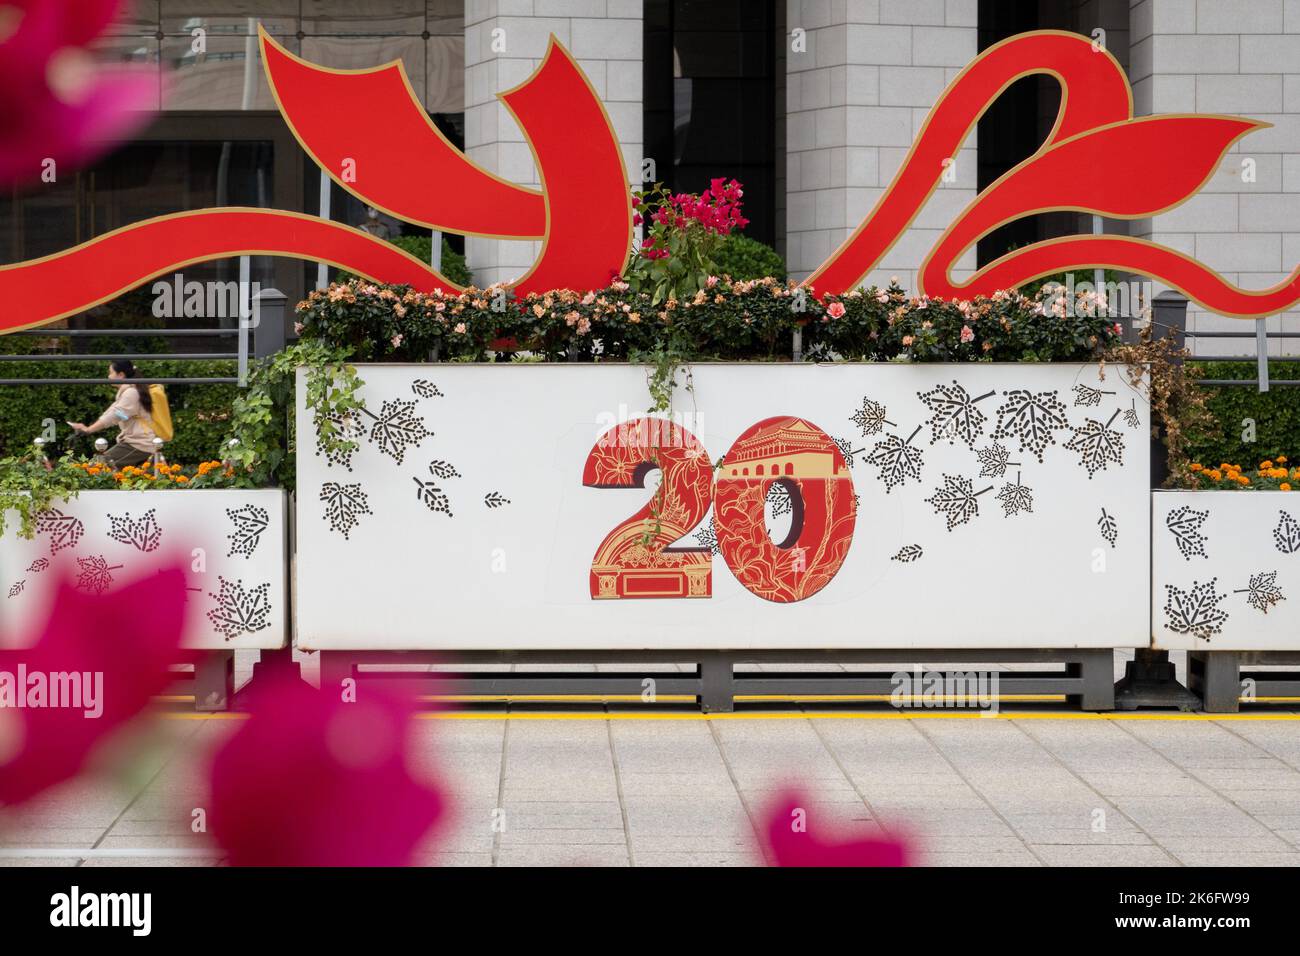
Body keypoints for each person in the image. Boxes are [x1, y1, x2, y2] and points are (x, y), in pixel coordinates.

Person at [69, 360, 159, 468]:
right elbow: (115, 413)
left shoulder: (131, 393)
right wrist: (88, 428)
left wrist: (89, 429)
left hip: (139, 444)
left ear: (121, 375)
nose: (109, 377)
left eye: (111, 373)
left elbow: (114, 415)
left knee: (98, 467)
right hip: (134, 443)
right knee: (109, 471)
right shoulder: (129, 391)